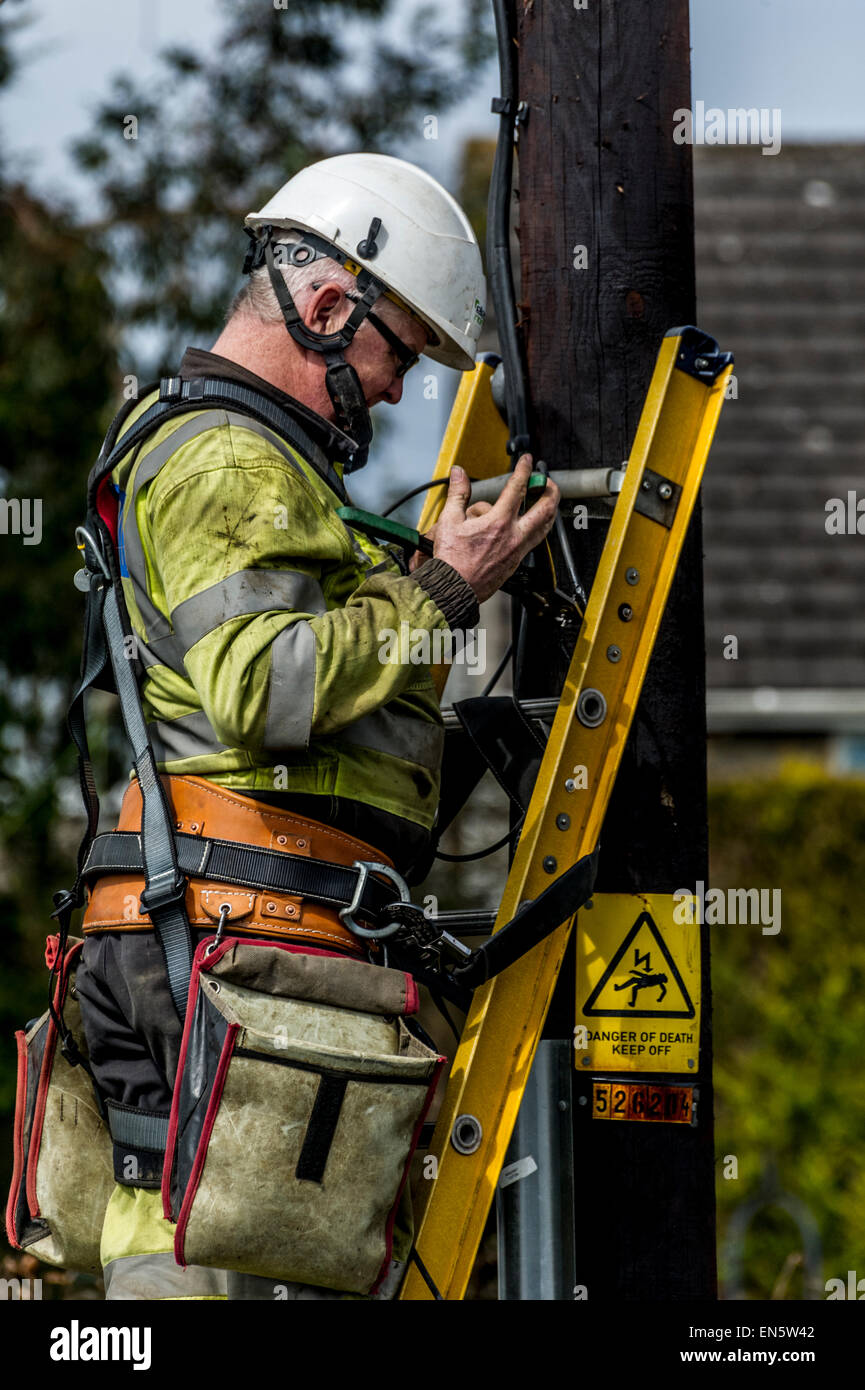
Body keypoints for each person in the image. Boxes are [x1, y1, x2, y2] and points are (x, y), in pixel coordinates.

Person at [74, 152, 559, 1300]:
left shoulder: (251, 460)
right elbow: (263, 684)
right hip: (234, 943)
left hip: (223, 938)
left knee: (191, 1254)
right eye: (399, 353)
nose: (397, 394)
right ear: (330, 307)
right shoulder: (229, 458)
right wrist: (442, 588)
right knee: (221, 1274)